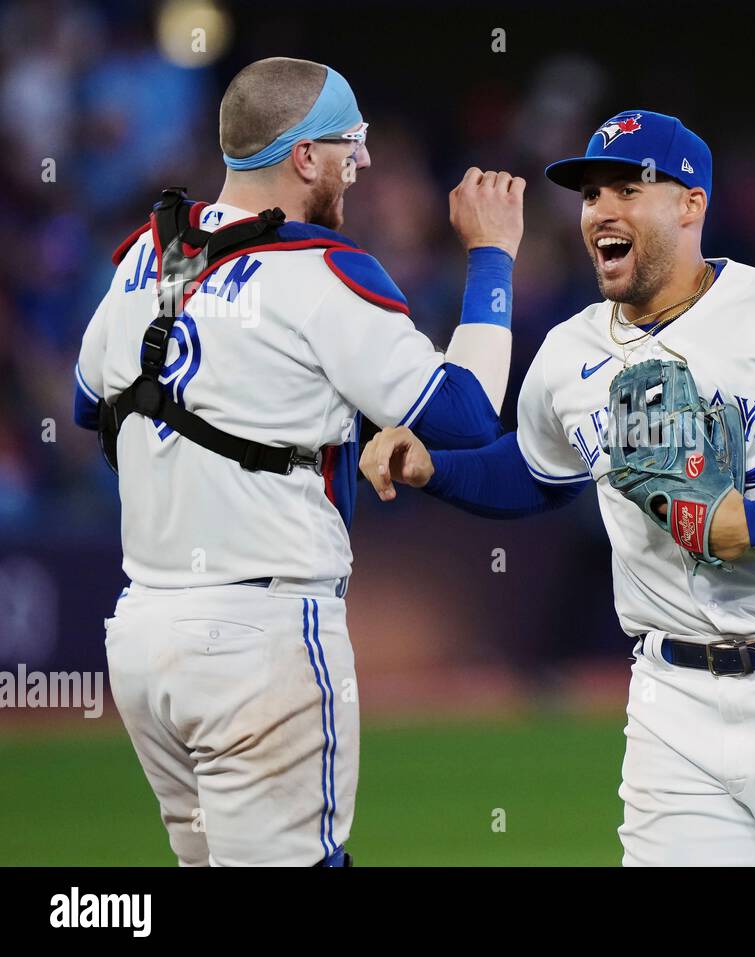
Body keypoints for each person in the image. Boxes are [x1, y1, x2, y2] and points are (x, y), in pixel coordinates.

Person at [359, 109, 755, 866]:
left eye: (628, 189)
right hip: (673, 699)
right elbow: (535, 474)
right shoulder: (571, 353)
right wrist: (434, 468)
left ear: (692, 204)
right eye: (589, 194)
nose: (601, 209)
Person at [72, 57, 524, 866]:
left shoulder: (153, 254)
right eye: (352, 144)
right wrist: (492, 258)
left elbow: (90, 402)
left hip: (143, 637)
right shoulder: (321, 272)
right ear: (304, 156)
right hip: (260, 636)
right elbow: (466, 416)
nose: (366, 162)